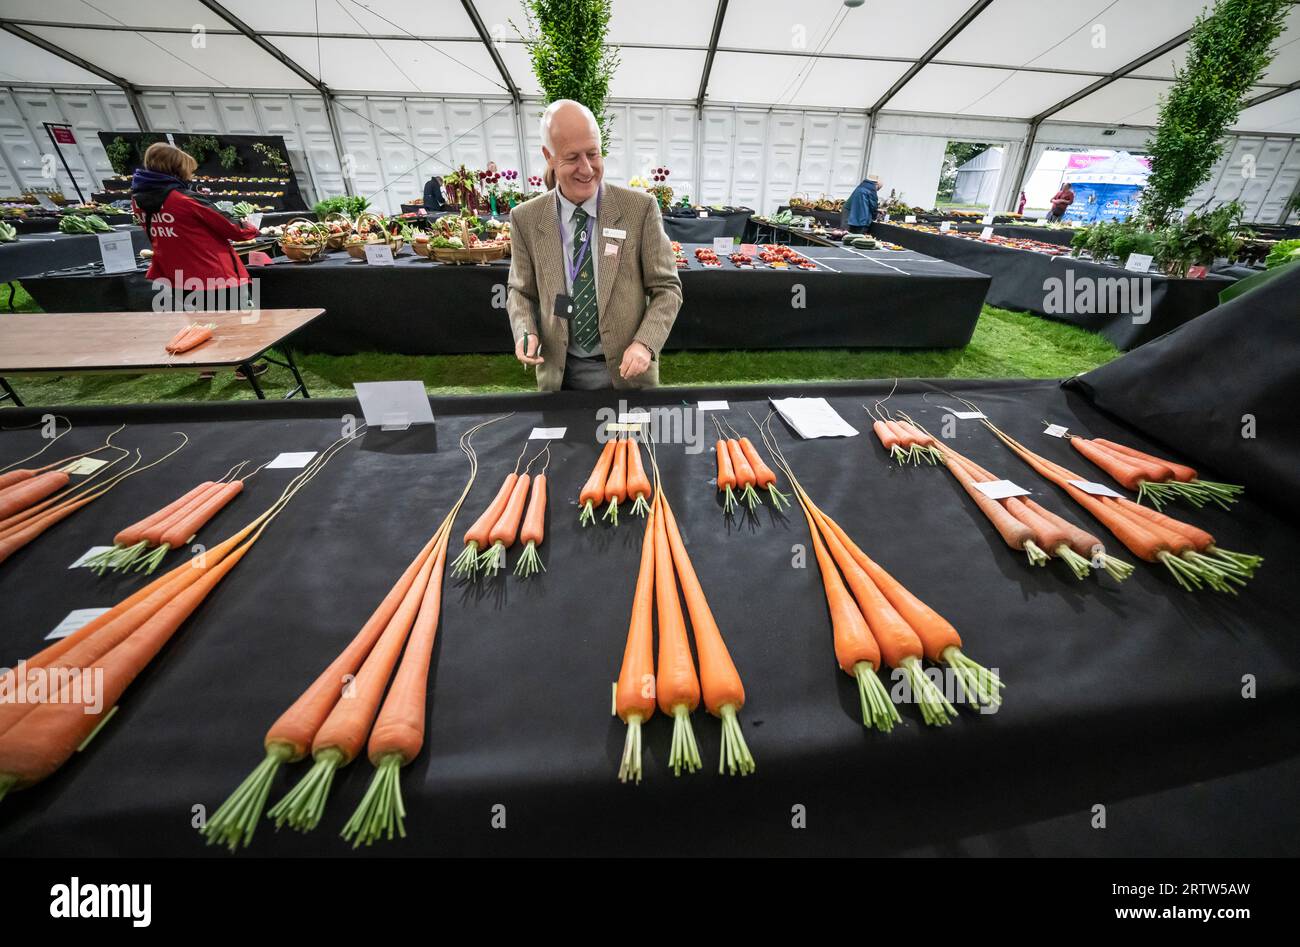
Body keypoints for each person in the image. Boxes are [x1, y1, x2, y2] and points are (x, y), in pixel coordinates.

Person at [507, 100, 681, 392]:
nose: (586, 169)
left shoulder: (639, 209)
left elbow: (667, 289)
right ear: (548, 156)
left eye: (593, 154)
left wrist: (645, 343)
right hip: (560, 377)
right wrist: (526, 331)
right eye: (572, 157)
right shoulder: (525, 218)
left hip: (629, 376)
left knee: (632, 441)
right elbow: (520, 290)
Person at [130, 142, 263, 379]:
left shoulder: (138, 201)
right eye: (187, 169)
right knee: (238, 321)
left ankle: (206, 366)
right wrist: (252, 228)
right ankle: (243, 368)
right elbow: (231, 227)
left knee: (199, 321)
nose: (190, 174)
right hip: (215, 273)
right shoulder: (184, 199)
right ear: (176, 169)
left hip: (178, 275)